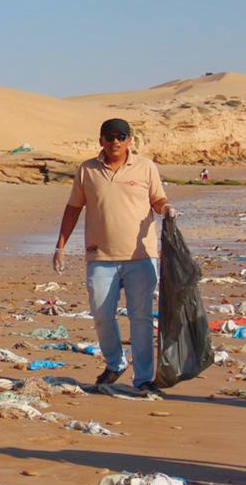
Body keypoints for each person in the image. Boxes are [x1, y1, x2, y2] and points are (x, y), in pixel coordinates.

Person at [53, 118, 175, 394]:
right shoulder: (87, 170)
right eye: (109, 137)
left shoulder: (145, 167)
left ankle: (143, 377)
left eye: (121, 136)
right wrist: (60, 247)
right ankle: (115, 362)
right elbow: (73, 208)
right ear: (101, 141)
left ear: (130, 140)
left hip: (141, 257)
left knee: (141, 317)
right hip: (100, 256)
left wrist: (167, 208)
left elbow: (158, 200)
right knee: (100, 314)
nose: (115, 141)